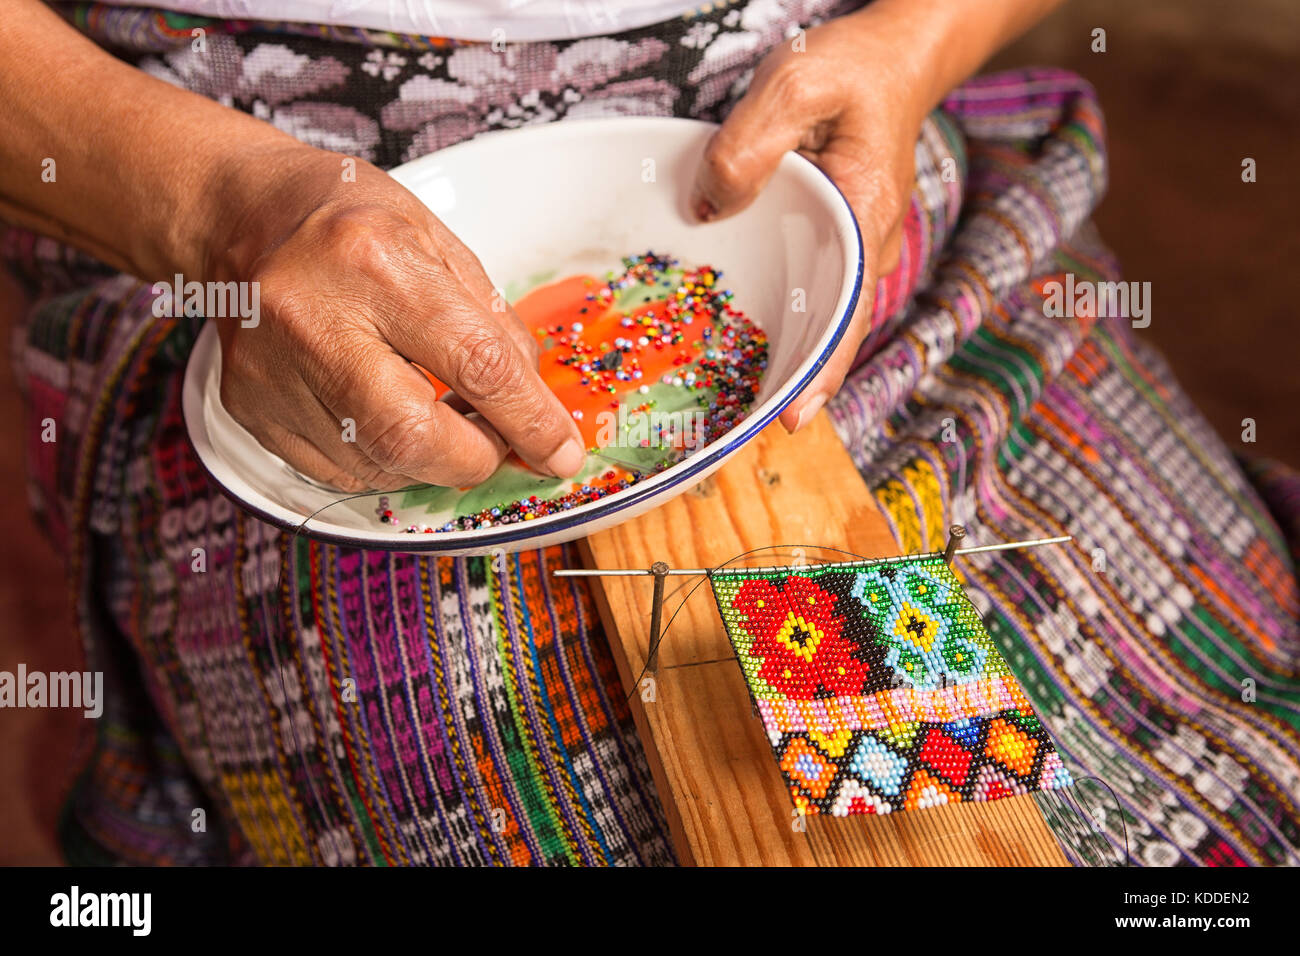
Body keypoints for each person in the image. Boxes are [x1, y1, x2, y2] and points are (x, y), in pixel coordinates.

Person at [2, 0, 1296, 866]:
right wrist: (220, 211)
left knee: (1195, 773)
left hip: (824, 191)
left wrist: (916, 42)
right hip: (251, 285)